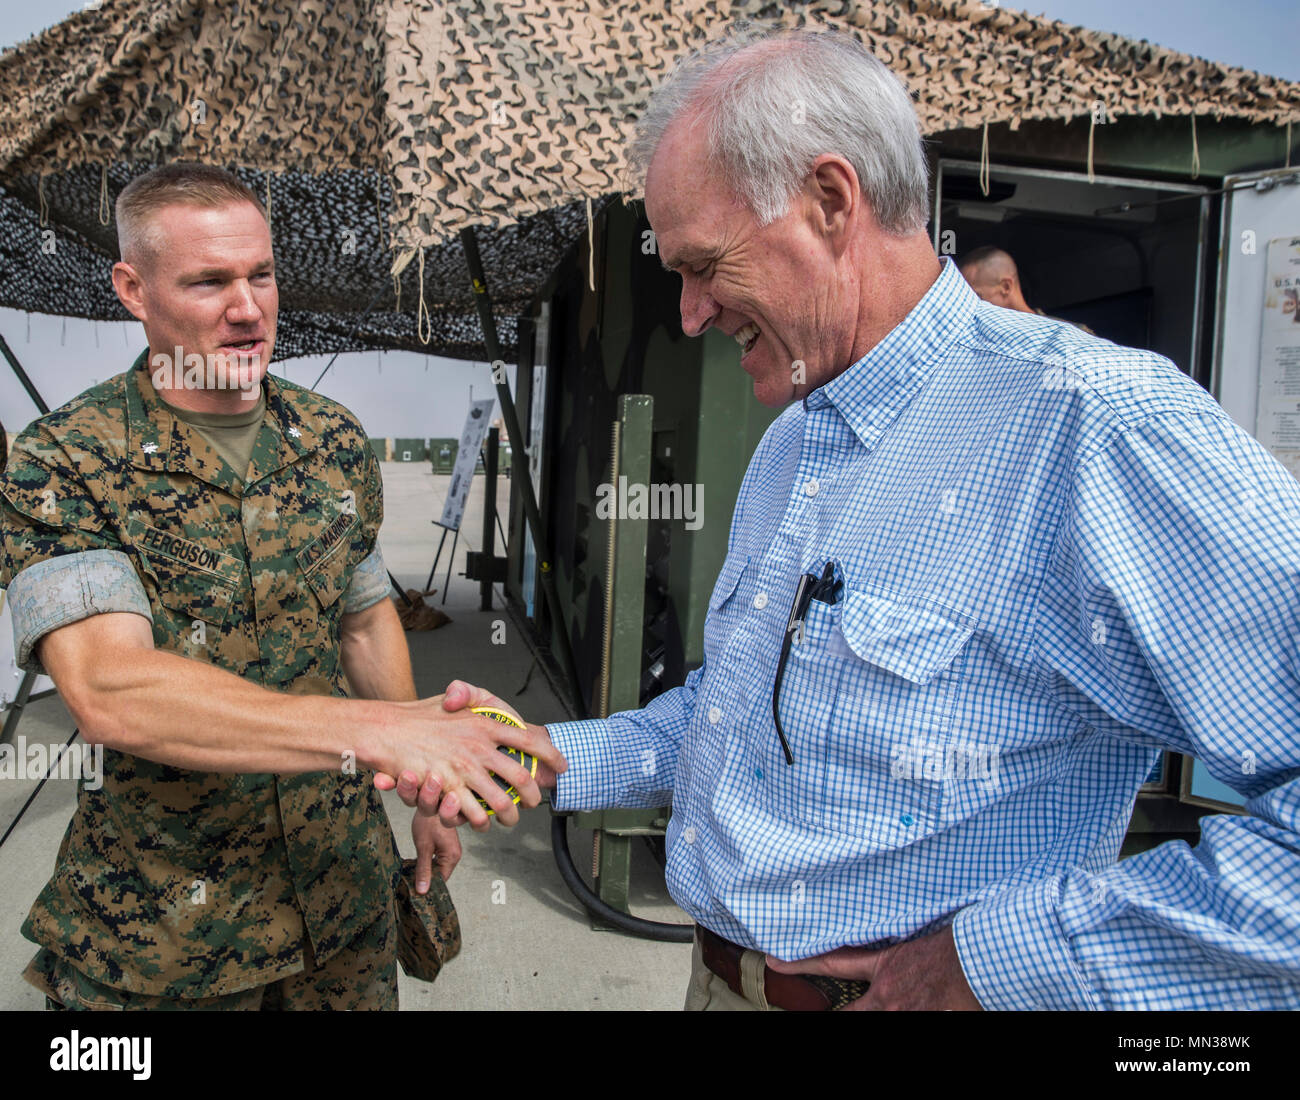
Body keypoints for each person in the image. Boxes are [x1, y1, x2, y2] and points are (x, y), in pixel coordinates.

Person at [416, 25, 1300, 1012]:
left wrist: (1006, 961)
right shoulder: (797, 438)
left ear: (831, 203)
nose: (690, 313)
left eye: (703, 263)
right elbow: (733, 721)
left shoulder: (1096, 426)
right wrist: (542, 755)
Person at [0, 163, 564, 1010]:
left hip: (339, 904)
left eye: (260, 274)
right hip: (170, 931)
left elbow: (365, 620)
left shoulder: (331, 438)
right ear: (133, 288)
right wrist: (383, 732)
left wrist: (428, 792)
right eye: (208, 281)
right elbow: (113, 692)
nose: (248, 307)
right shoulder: (66, 461)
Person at [958, 244, 1094, 332]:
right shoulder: (974, 337)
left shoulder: (1070, 333)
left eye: (977, 297)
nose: (970, 306)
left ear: (1006, 287)